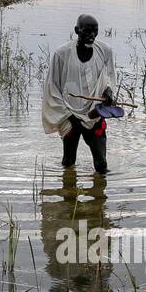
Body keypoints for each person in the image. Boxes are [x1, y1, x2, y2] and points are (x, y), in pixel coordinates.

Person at [41, 14, 116, 174]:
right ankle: (68, 193)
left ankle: (100, 193)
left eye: (94, 32)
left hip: (94, 114)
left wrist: (108, 90)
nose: (91, 36)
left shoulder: (105, 51)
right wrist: (68, 115)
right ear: (77, 30)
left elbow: (109, 77)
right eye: (86, 31)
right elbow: (52, 87)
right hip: (69, 115)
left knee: (102, 165)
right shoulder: (61, 54)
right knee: (68, 162)